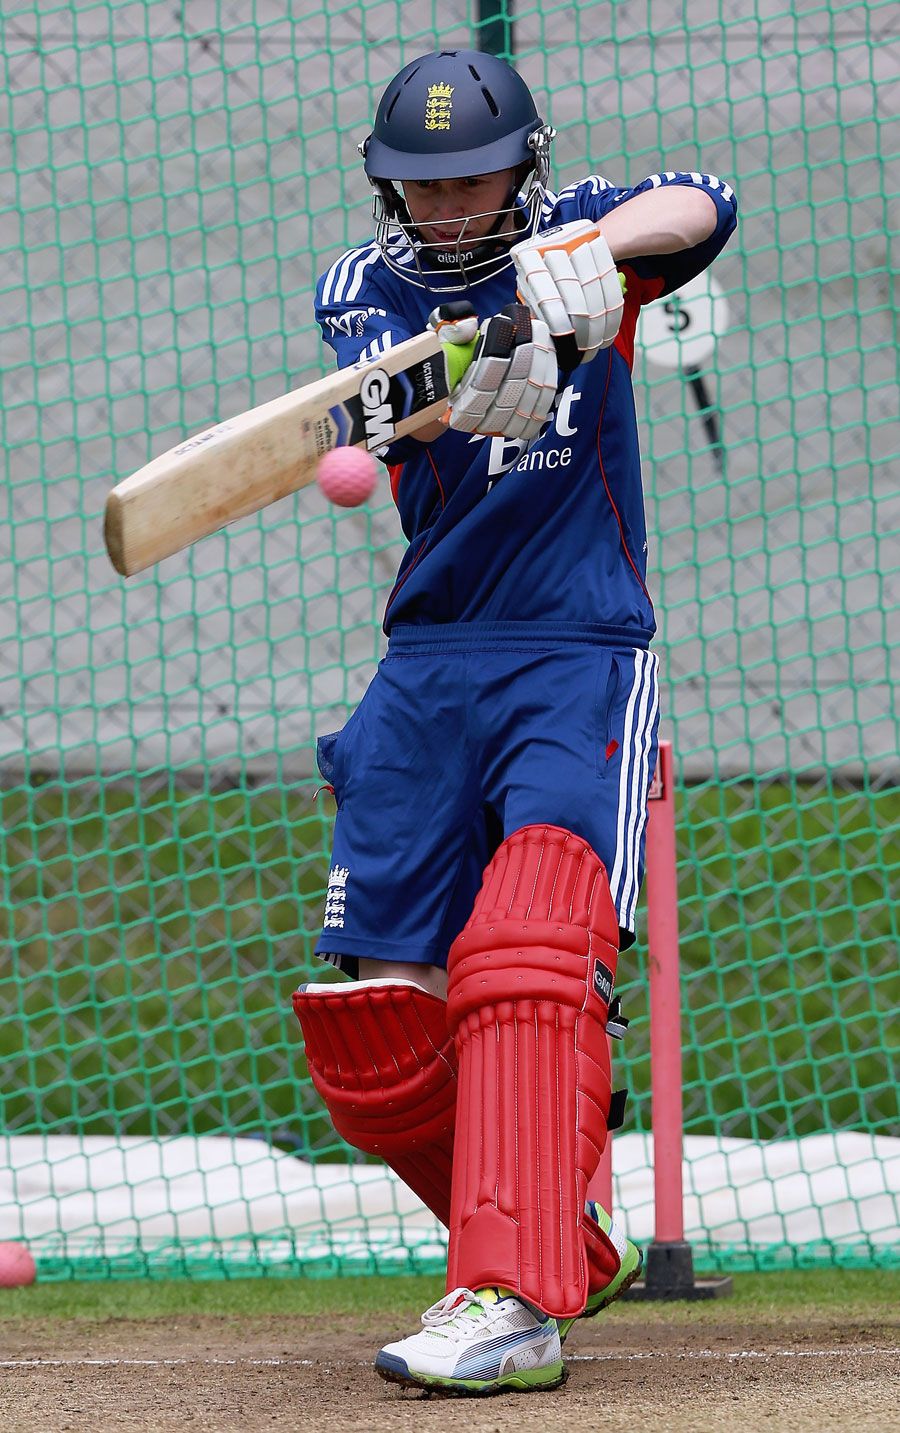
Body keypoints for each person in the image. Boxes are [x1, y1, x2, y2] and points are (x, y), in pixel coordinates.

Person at [293, 47, 737, 1397]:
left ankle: (508, 1292)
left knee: (531, 945)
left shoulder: (580, 222)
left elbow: (704, 204)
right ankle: (558, 1229)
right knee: (369, 1029)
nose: (448, 206)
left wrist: (593, 262)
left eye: (473, 177)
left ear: (526, 165)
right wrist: (477, 367)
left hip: (574, 648)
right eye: (420, 186)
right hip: (429, 661)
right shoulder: (358, 292)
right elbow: (400, 397)